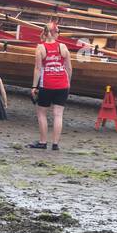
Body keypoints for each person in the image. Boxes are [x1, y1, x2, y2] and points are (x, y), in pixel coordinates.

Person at [30, 21, 71, 151]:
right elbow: (69, 68)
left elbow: (37, 68)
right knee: (58, 115)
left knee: (42, 113)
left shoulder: (40, 48)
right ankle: (55, 144)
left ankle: (43, 142)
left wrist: (34, 87)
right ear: (53, 33)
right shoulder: (63, 47)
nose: (59, 34)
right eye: (58, 31)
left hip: (47, 84)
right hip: (62, 85)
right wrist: (68, 83)